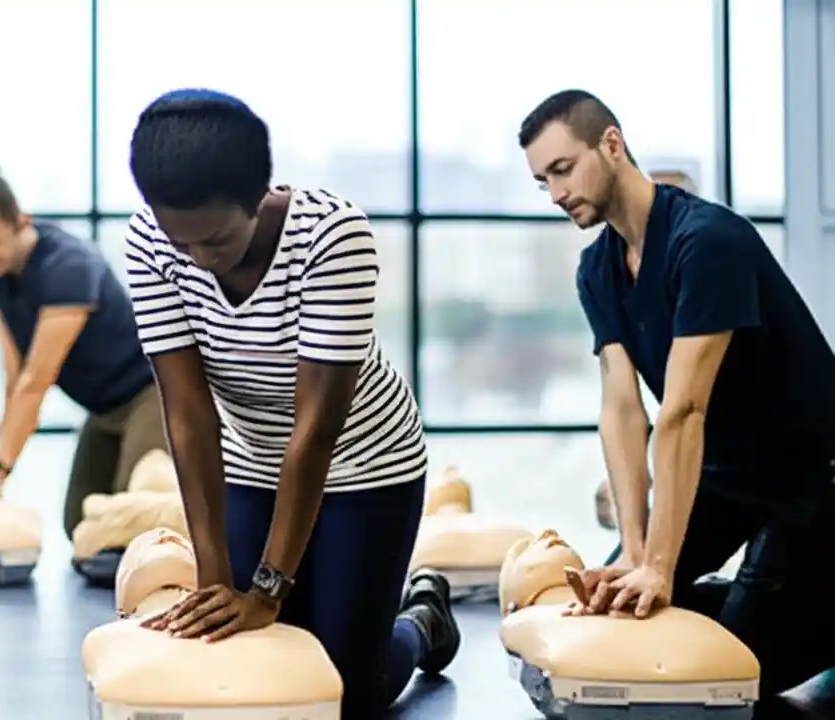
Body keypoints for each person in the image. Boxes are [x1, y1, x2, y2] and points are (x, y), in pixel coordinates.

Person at [120, 88, 461, 718]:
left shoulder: (333, 237)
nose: (197, 260)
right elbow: (190, 415)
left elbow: (316, 431)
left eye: (216, 241)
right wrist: (217, 579)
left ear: (257, 196)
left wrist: (270, 586)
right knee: (254, 652)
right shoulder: (149, 241)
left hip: (366, 466)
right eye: (181, 243)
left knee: (339, 688)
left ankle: (423, 620)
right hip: (253, 464)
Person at [519, 88, 835, 704]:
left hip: (812, 476)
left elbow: (683, 411)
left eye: (563, 169)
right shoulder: (598, 269)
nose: (556, 193)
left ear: (611, 144)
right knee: (618, 610)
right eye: (541, 182)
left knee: (733, 671)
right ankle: (768, 589)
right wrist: (637, 552)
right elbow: (621, 410)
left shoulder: (708, 242)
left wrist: (661, 568)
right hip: (727, 472)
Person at [0, 166, 166, 539]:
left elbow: (37, 381)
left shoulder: (67, 265)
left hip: (150, 394)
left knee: (128, 521)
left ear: (22, 221)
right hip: (102, 408)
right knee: (81, 527)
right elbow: (15, 380)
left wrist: (0, 473)